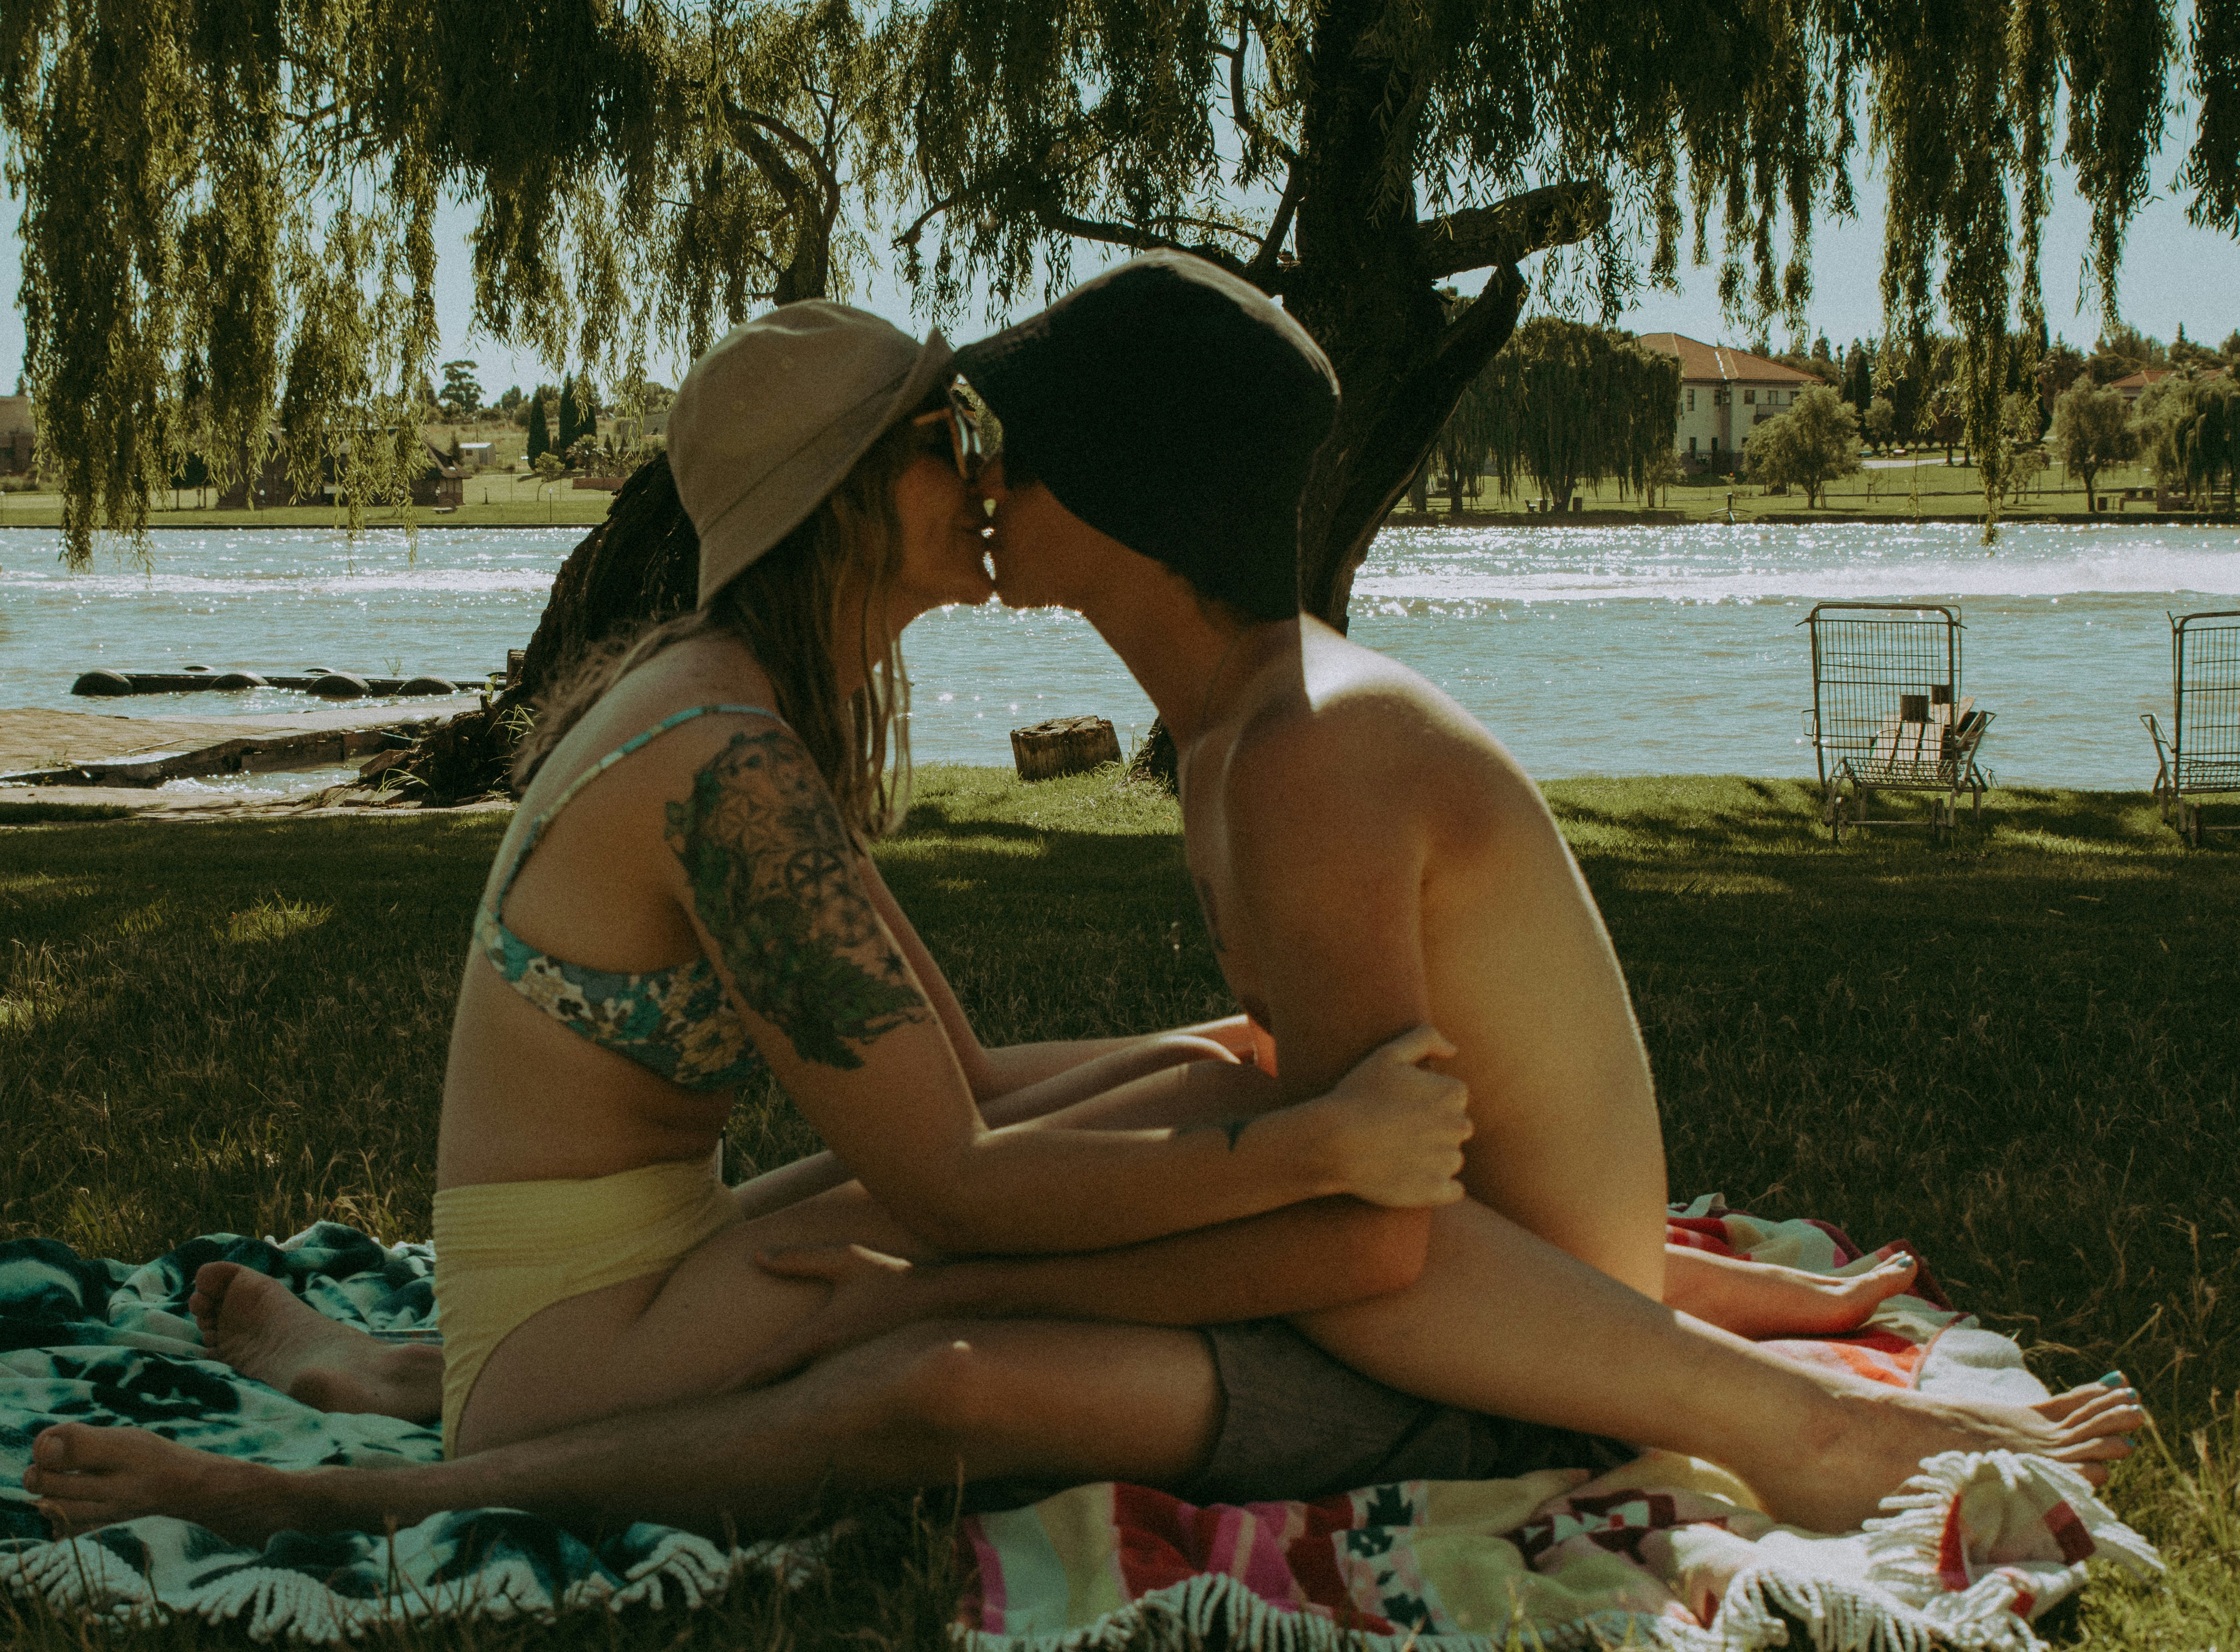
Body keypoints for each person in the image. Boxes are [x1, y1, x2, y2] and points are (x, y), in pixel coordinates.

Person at [23, 271, 2139, 1544]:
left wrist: (1680, 1290)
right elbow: (958, 1181)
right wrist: (1294, 1155)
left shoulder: (754, 709)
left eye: (992, 440)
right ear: (867, 502)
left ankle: (399, 1384)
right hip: (583, 1337)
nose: (980, 472)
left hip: (600, 1279)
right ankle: (398, 1437)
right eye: (947, 444)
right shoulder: (742, 765)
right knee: (956, 1272)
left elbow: (968, 1102)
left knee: (1180, 1089)